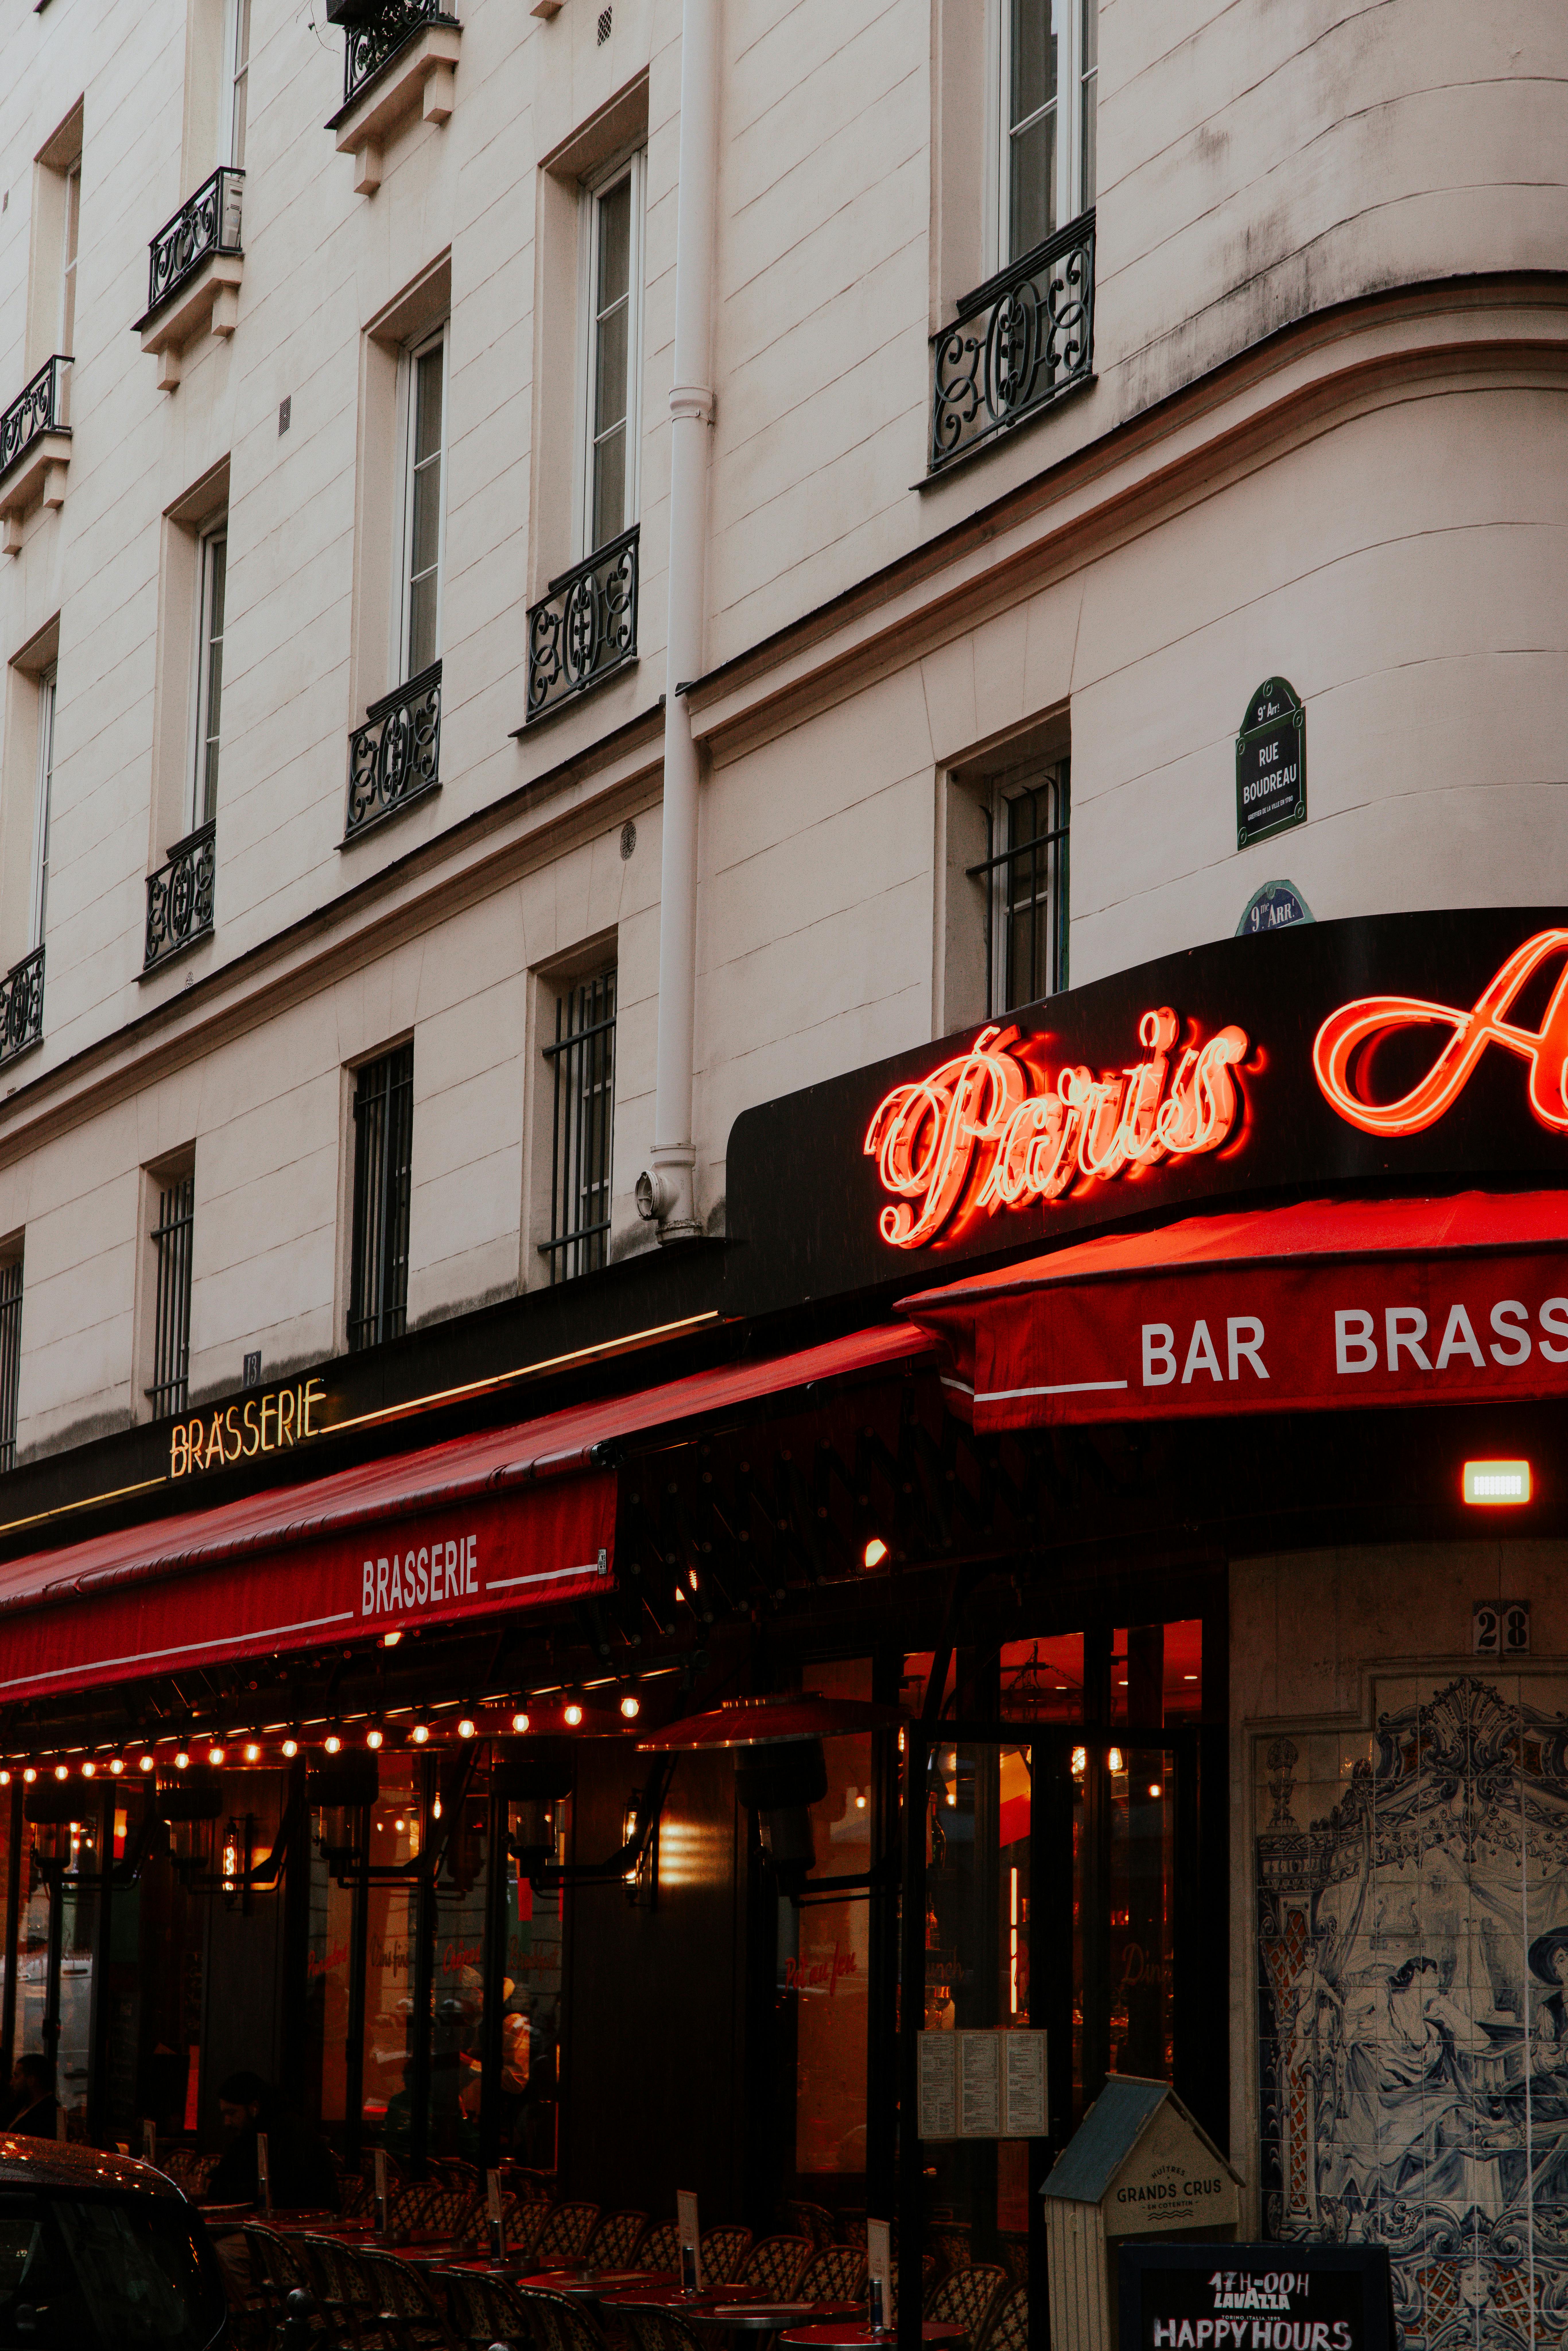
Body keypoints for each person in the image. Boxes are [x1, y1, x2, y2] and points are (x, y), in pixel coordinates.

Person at [205, 2071, 339, 2214]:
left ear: (254, 2108)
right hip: (273, 2225)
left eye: (232, 2113)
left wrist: (214, 2189)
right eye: (224, 2115)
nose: (227, 2123)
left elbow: (278, 2192)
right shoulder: (248, 2135)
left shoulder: (288, 2131)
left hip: (304, 2228)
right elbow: (224, 2172)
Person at [3, 2053, 58, 2140]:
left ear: (32, 2080)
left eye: (17, 2077)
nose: (12, 2082)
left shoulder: (47, 2114)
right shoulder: (22, 2104)